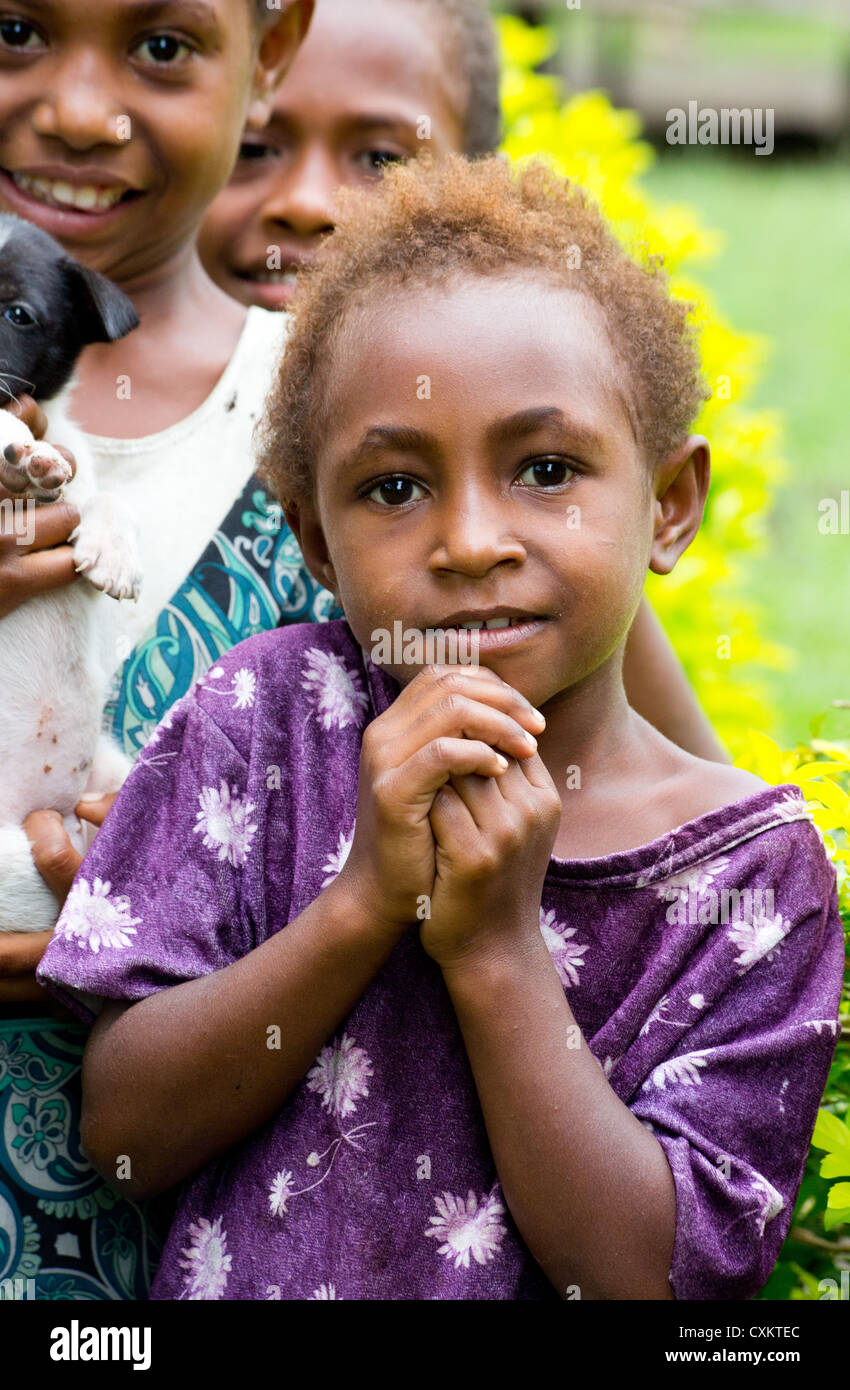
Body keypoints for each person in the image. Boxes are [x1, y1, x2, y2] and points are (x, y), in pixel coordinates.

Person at [37, 157, 844, 1300]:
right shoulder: (265, 724)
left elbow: (653, 1283)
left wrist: (496, 951)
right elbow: (121, 1138)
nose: (469, 540)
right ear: (316, 542)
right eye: (395, 489)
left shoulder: (755, 881)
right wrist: (363, 900)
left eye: (546, 469)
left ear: (667, 504)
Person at [0, 0, 315, 1299]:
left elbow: (641, 808)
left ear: (275, 44)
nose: (77, 107)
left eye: (162, 42)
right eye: (15, 25)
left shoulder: (358, 405)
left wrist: (231, 908)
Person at [199, 0, 729, 764]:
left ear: (475, 180)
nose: (311, 205)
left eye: (381, 161)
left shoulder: (557, 544)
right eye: (254, 147)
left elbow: (696, 813)